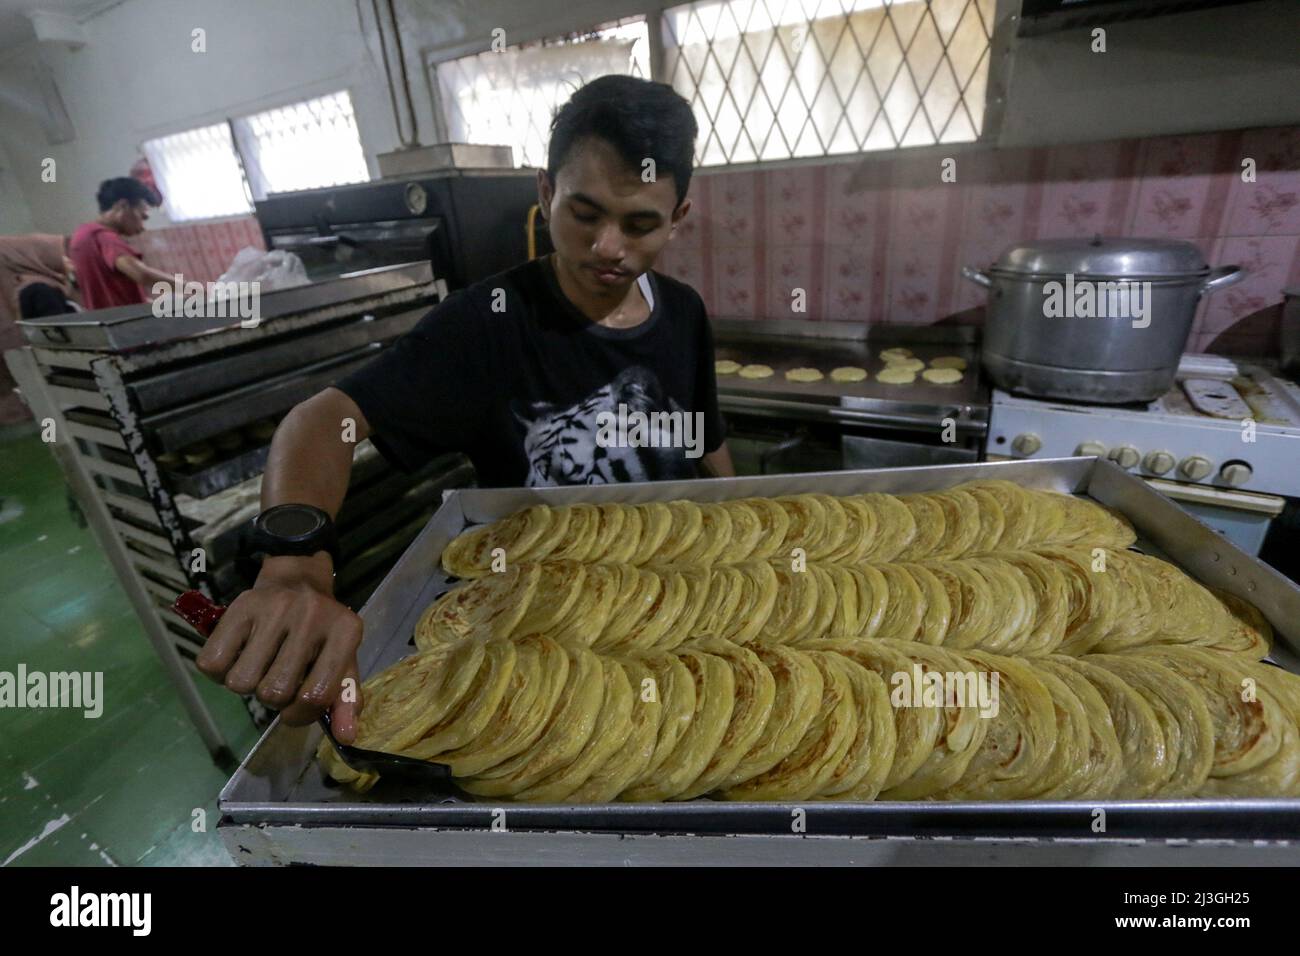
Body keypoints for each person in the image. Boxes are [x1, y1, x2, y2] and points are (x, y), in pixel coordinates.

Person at [196, 75, 734, 740]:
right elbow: (321, 419)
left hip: (680, 605)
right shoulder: (487, 324)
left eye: (640, 224)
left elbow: (705, 444)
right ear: (545, 193)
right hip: (550, 630)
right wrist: (294, 563)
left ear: (679, 217)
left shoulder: (682, 312)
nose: (607, 248)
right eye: (585, 214)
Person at [68, 177, 178, 310]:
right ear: (123, 206)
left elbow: (114, 294)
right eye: (142, 216)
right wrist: (192, 289)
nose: (143, 227)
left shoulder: (82, 233)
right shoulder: (105, 237)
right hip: (125, 327)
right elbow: (141, 274)